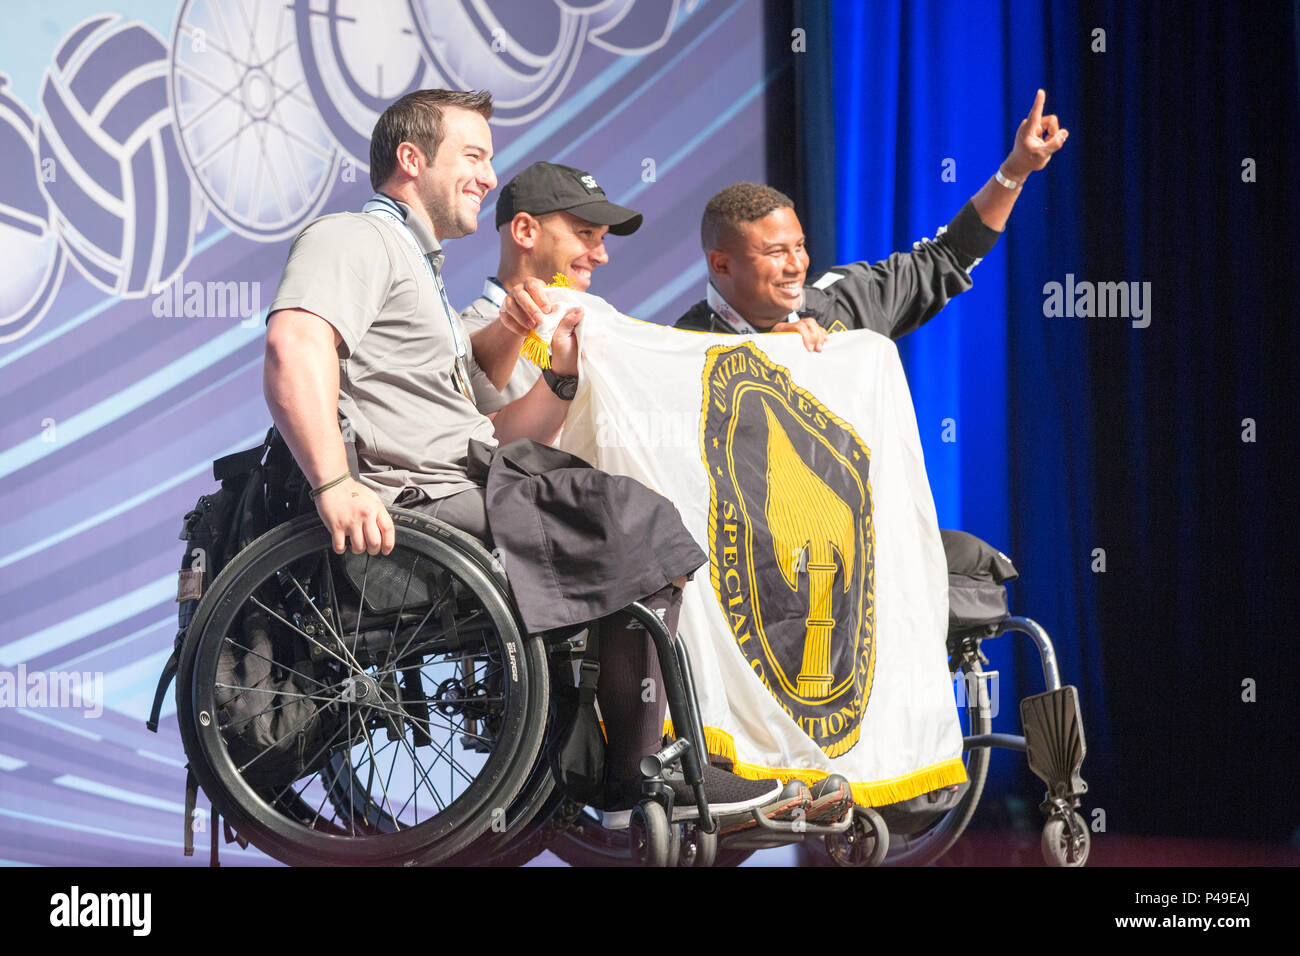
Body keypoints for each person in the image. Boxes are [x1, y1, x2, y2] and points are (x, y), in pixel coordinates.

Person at [261, 88, 798, 828]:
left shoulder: (421, 270)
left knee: (639, 522)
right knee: (634, 523)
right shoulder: (355, 238)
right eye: (473, 156)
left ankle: (625, 768)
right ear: (411, 161)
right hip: (415, 507)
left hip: (465, 483)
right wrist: (334, 482)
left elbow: (503, 435)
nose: (486, 173)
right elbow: (294, 345)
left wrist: (561, 376)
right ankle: (634, 779)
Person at [673, 89, 1068, 343]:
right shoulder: (680, 349)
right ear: (721, 265)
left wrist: (1015, 171)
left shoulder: (847, 304)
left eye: (800, 246)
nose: (796, 265)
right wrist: (759, 353)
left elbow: (949, 256)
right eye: (776, 252)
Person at [461, 161, 642, 404]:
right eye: (586, 233)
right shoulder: (460, 340)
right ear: (525, 230)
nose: (602, 256)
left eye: (602, 238)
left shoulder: (592, 336)